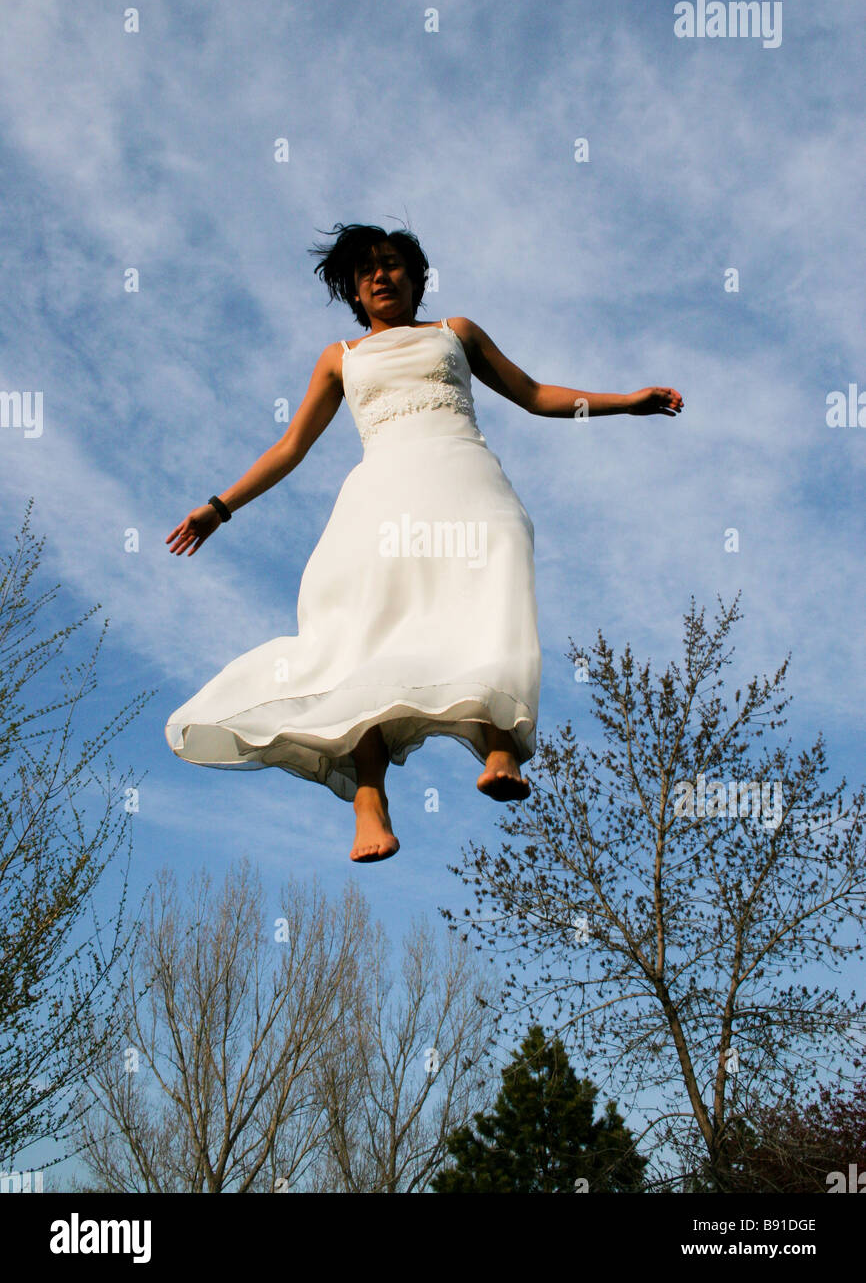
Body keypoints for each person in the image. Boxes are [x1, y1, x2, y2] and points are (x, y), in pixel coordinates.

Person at [165, 223, 683, 863]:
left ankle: (500, 744)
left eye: (392, 266)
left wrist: (625, 403)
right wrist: (220, 507)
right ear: (355, 292)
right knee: (363, 636)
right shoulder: (341, 358)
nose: (381, 277)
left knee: (488, 598)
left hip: (468, 486)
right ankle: (369, 802)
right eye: (367, 272)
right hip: (381, 500)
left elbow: (536, 395)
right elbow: (291, 446)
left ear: (417, 277)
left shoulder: (455, 334)